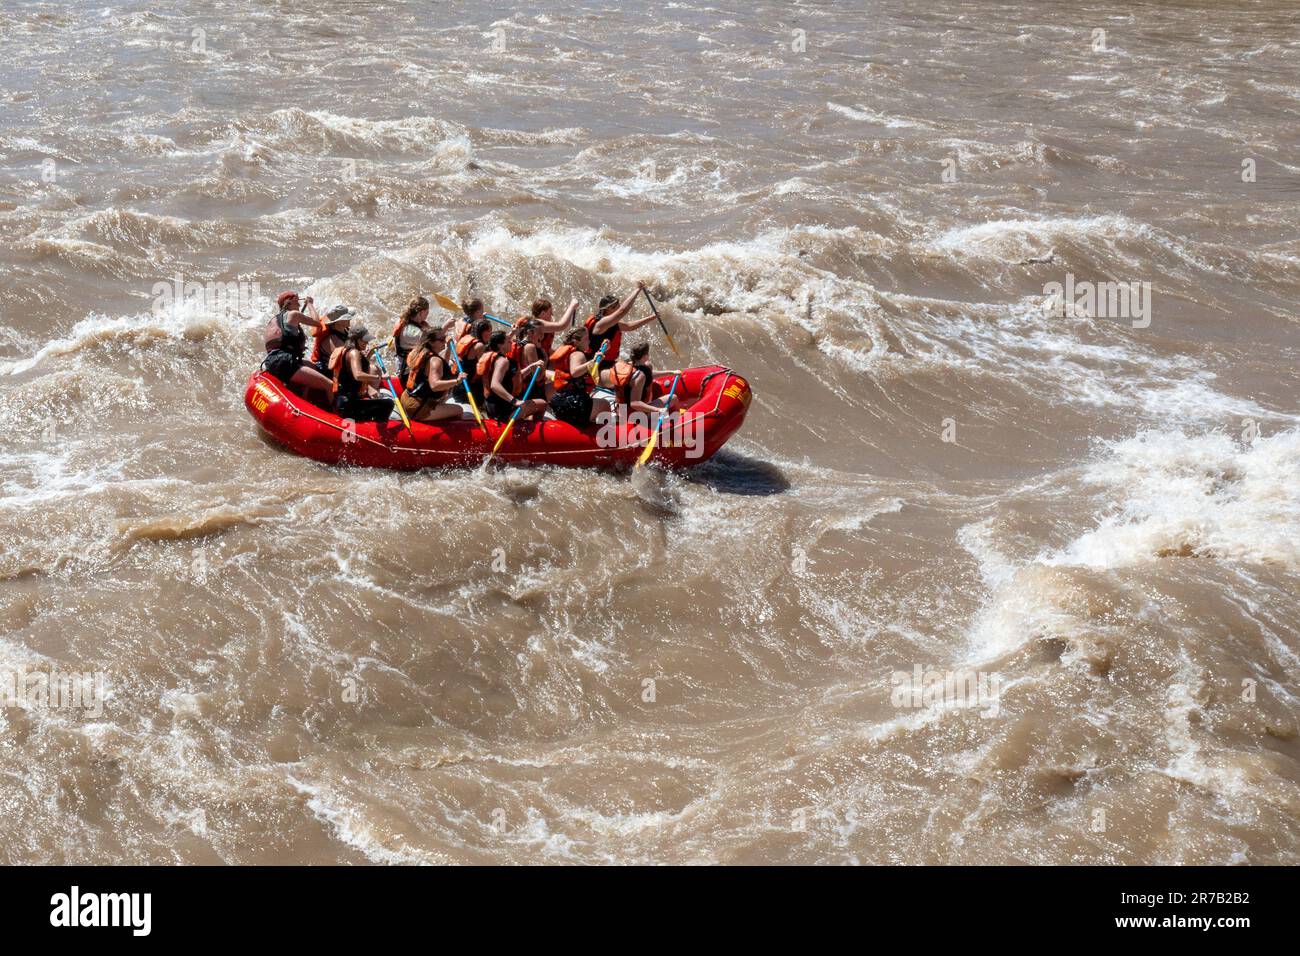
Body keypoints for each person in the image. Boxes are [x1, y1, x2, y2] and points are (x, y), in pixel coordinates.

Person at [263, 291, 333, 404]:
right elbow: (317, 323)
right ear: (290, 302)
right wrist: (310, 304)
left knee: (313, 367)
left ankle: (305, 399)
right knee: (330, 385)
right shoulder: (294, 314)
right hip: (286, 362)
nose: (300, 304)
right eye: (298, 300)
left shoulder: (273, 321)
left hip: (272, 361)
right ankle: (337, 414)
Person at [584, 281, 659, 370]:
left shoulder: (611, 323)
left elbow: (630, 326)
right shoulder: (601, 324)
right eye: (616, 307)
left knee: (647, 365)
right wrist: (638, 289)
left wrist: (652, 317)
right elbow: (622, 311)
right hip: (599, 365)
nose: (618, 309)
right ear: (608, 309)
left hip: (609, 363)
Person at [477, 330, 547, 423]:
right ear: (500, 345)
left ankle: (525, 422)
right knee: (542, 404)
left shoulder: (494, 357)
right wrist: (515, 401)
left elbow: (513, 378)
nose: (512, 343)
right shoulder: (503, 361)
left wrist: (530, 367)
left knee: (536, 403)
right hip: (503, 410)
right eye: (508, 341)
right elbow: (494, 385)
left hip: (491, 406)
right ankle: (534, 431)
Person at [548, 327, 612, 427]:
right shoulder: (578, 354)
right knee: (605, 405)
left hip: (559, 401)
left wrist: (601, 352)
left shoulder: (570, 353)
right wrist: (593, 361)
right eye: (586, 339)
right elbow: (575, 372)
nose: (589, 341)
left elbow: (589, 370)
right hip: (573, 404)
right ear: (577, 342)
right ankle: (603, 435)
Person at [328, 326, 395, 423]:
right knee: (388, 404)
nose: (367, 343)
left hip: (342, 401)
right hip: (349, 406)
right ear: (356, 340)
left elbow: (360, 366)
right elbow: (358, 375)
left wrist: (370, 354)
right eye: (364, 341)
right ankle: (378, 433)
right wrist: (378, 377)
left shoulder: (347, 350)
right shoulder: (355, 353)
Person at [398, 328, 465, 423]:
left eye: (444, 337)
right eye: (441, 339)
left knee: (444, 398)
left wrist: (449, 348)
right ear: (431, 343)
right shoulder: (435, 361)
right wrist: (457, 381)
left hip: (407, 399)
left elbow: (441, 368)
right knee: (459, 410)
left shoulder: (421, 352)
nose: (445, 341)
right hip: (418, 408)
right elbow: (434, 386)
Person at [603, 341, 682, 418]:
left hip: (621, 409)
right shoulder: (640, 376)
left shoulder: (627, 364)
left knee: (648, 366)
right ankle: (678, 420)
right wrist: (658, 410)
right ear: (645, 356)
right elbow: (634, 403)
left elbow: (650, 375)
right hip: (634, 414)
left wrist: (672, 372)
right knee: (673, 398)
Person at [389, 295, 431, 381]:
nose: (428, 314)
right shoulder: (413, 333)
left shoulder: (403, 320)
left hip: (404, 363)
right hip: (407, 373)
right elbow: (433, 342)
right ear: (420, 313)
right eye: (427, 312)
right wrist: (446, 327)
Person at [453, 317, 492, 406]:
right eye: (490, 331)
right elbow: (483, 370)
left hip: (459, 385)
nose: (491, 334)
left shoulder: (466, 338)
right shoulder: (480, 346)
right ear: (484, 332)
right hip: (469, 389)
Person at [310, 305, 355, 376]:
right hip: (329, 372)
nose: (350, 319)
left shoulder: (344, 329)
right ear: (339, 321)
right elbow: (346, 362)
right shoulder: (332, 339)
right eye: (347, 317)